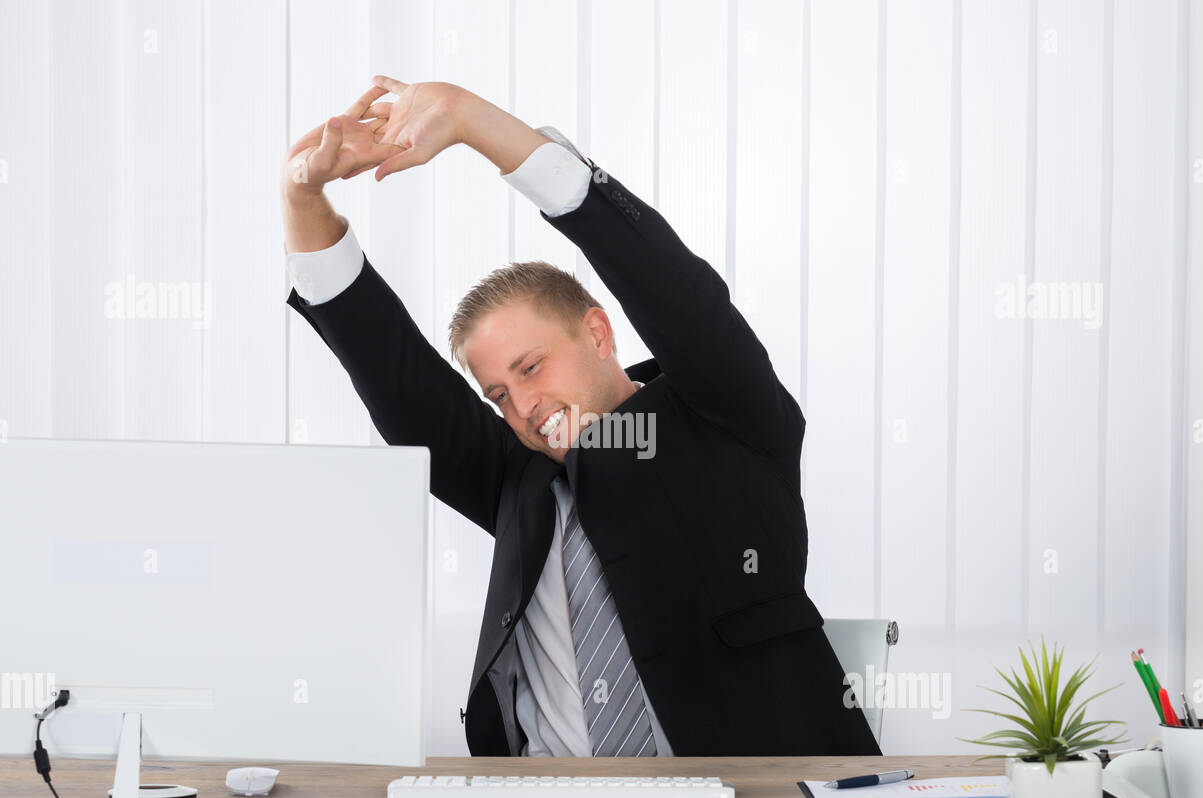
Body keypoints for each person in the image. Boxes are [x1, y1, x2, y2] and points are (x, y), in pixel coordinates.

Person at [280, 76, 881, 758]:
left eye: (532, 368)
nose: (525, 406)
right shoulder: (518, 481)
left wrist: (470, 120)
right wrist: (303, 195)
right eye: (499, 394)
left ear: (598, 334)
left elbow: (673, 289)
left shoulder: (726, 417)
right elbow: (394, 375)